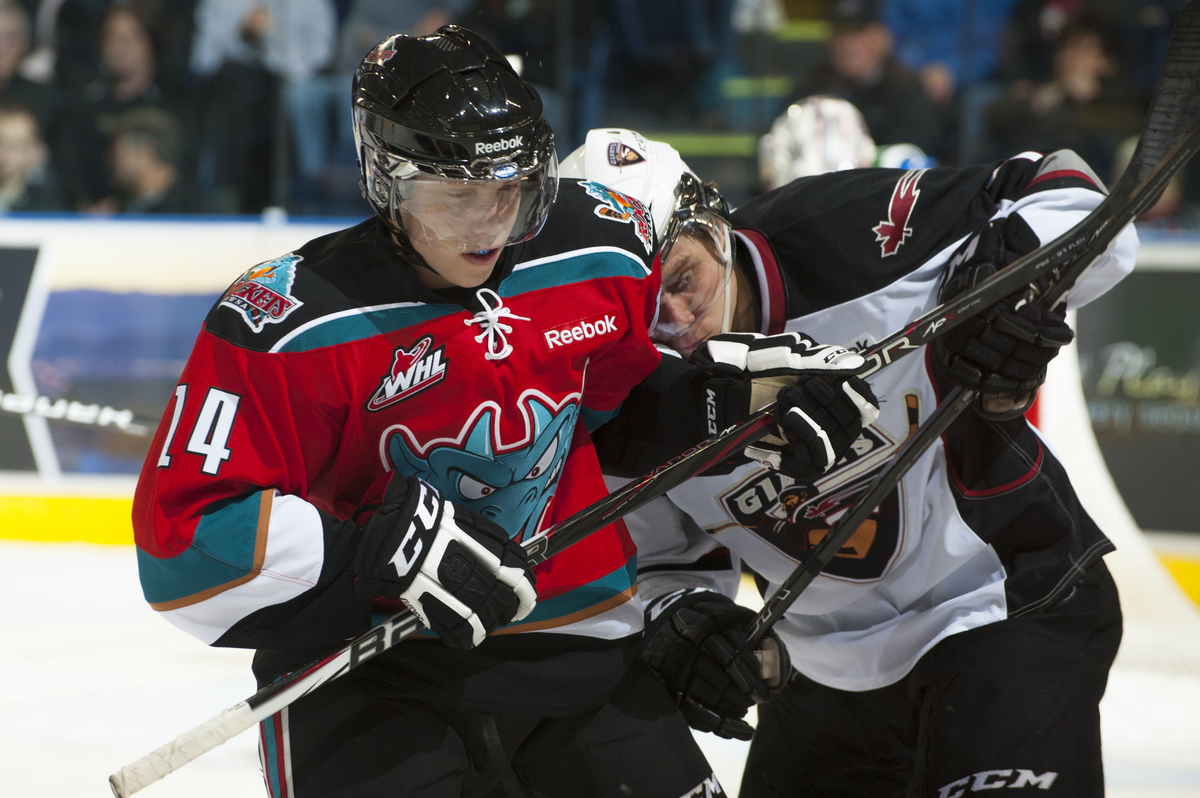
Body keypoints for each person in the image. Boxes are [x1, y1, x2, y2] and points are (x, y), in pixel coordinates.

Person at [132, 27, 866, 798]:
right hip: (372, 674)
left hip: (579, 644)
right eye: (456, 199)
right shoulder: (288, 322)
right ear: (386, 180)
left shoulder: (599, 248)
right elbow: (184, 542)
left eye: (509, 191)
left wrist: (720, 403)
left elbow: (612, 413)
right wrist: (374, 550)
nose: (487, 225)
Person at [568, 127, 1137, 796]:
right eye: (640, 308)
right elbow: (667, 561)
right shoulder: (617, 388)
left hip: (1004, 605)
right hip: (825, 667)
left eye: (683, 279)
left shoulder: (846, 231)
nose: (675, 318)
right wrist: (690, 621)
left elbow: (1071, 193)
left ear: (713, 226)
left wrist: (1014, 278)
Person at [0, 101, 65, 211]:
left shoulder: (49, 211)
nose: (3, 153)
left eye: (15, 145)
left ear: (34, 149)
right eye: (1, 142)